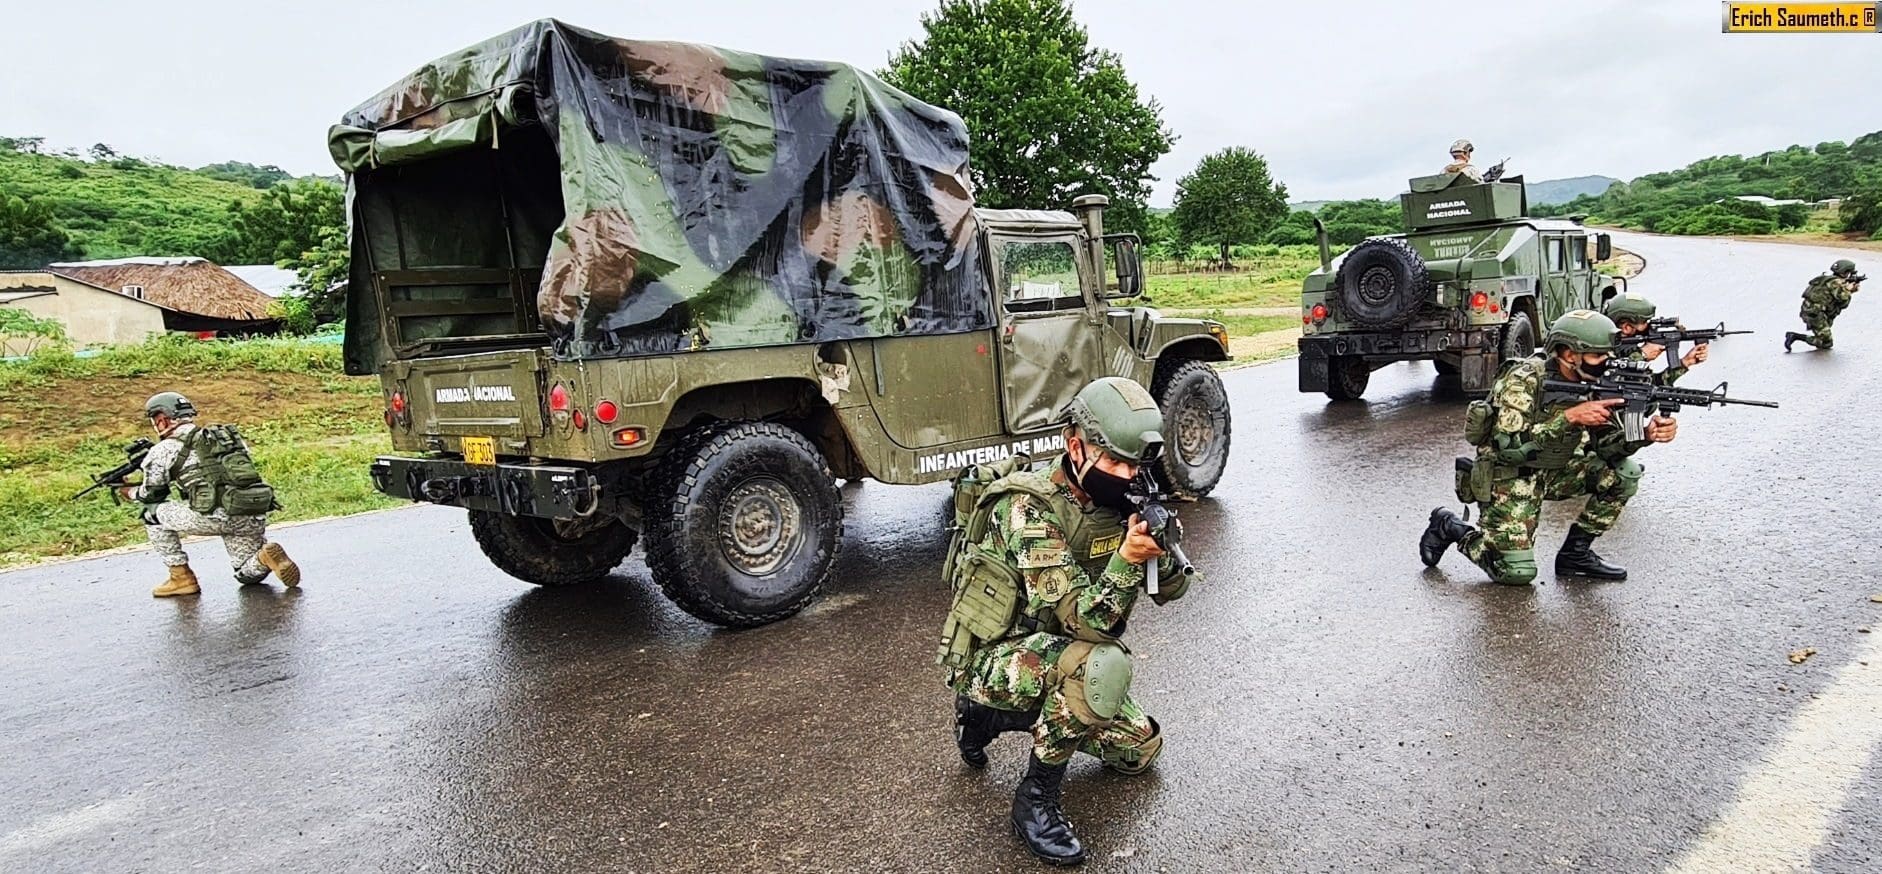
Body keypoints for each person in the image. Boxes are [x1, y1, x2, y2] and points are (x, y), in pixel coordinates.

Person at [938, 377, 1192, 866]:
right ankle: (1034, 801)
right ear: (1074, 445)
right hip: (992, 657)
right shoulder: (1027, 509)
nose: (1125, 475)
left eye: (1134, 465)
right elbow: (1090, 622)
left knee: (1139, 751)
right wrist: (1127, 557)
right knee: (1100, 666)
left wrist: (1164, 547)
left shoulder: (1120, 499)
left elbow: (1171, 591)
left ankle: (992, 719)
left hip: (1052, 652)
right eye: (1114, 461)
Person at [1420, 310, 1677, 584]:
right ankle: (1451, 527)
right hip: (1510, 477)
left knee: (1624, 474)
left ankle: (1575, 555)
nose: (1606, 363)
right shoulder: (1524, 380)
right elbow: (1508, 447)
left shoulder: (1593, 383)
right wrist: (1570, 417)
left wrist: (1645, 435)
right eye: (1598, 357)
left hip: (1556, 470)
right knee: (1515, 574)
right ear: (1569, 355)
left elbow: (1606, 449)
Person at [124, 392, 300, 597]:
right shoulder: (225, 438)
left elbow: (152, 495)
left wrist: (129, 492)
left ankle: (180, 577)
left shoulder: (163, 450)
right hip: (248, 510)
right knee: (245, 574)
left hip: (214, 516)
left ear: (162, 420)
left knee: (151, 513)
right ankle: (265, 556)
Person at [1602, 291, 1708, 384]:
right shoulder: (1600, 347)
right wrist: (1641, 355)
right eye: (1645, 322)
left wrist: (1686, 362)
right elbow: (1609, 382)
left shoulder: (1626, 347)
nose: (1650, 326)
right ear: (1626, 328)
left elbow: (1651, 384)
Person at [1785, 259, 1865, 351]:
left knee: (1823, 336)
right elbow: (1843, 302)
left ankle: (1798, 336)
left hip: (1811, 311)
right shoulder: (1836, 283)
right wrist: (1850, 290)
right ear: (1845, 272)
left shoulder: (1826, 279)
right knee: (1826, 343)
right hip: (1815, 314)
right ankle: (1795, 336)